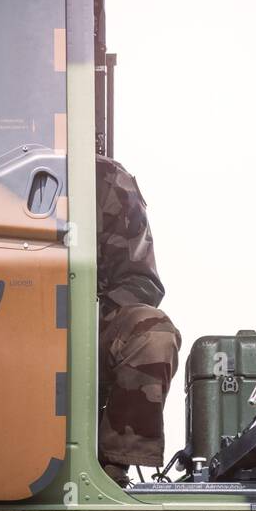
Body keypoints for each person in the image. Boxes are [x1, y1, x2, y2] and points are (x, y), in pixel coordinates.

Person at [96, 155, 182, 488]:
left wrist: (79, 319)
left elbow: (140, 283)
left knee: (152, 331)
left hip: (79, 332)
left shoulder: (103, 180)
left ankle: (111, 473)